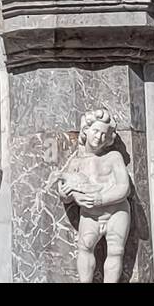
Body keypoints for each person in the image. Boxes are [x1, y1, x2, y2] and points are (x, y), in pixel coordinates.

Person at [58, 107, 131, 283]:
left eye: (104, 134)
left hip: (116, 211)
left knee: (116, 251)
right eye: (95, 131)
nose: (99, 137)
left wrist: (101, 199)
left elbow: (124, 187)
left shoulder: (114, 157)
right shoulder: (76, 163)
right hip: (91, 214)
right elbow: (66, 189)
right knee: (85, 247)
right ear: (86, 131)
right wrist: (67, 194)